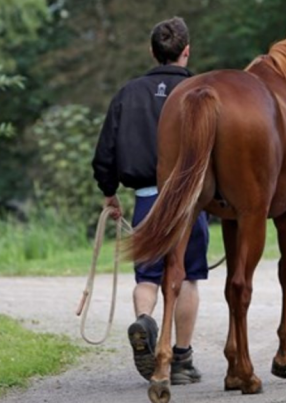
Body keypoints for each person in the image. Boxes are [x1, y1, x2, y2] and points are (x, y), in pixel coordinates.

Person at [91, 17, 208, 385]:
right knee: (188, 278)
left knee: (147, 277)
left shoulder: (128, 93)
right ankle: (183, 361)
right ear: (185, 51)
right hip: (189, 203)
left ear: (152, 51)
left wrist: (110, 193)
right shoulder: (200, 92)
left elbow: (105, 152)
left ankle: (145, 323)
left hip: (145, 200)